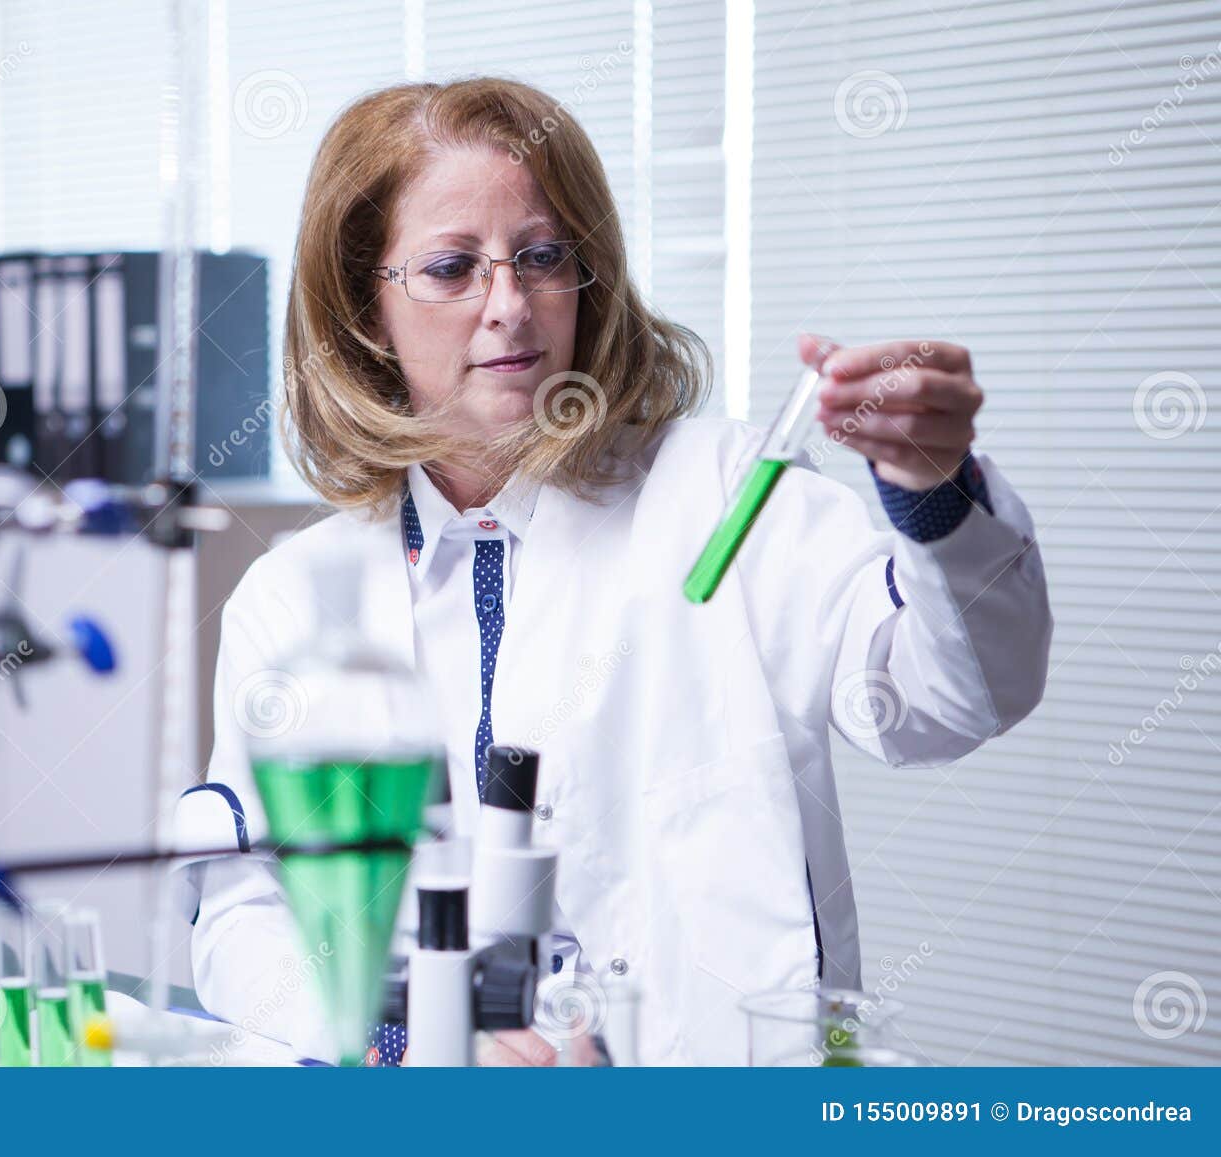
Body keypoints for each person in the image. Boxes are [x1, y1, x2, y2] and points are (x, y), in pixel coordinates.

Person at [176, 77, 1051, 1065]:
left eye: (543, 256)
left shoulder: (723, 496)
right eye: (452, 267)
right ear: (365, 311)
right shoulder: (301, 597)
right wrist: (408, 1043)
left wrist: (930, 491)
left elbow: (953, 698)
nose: (508, 306)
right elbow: (248, 905)